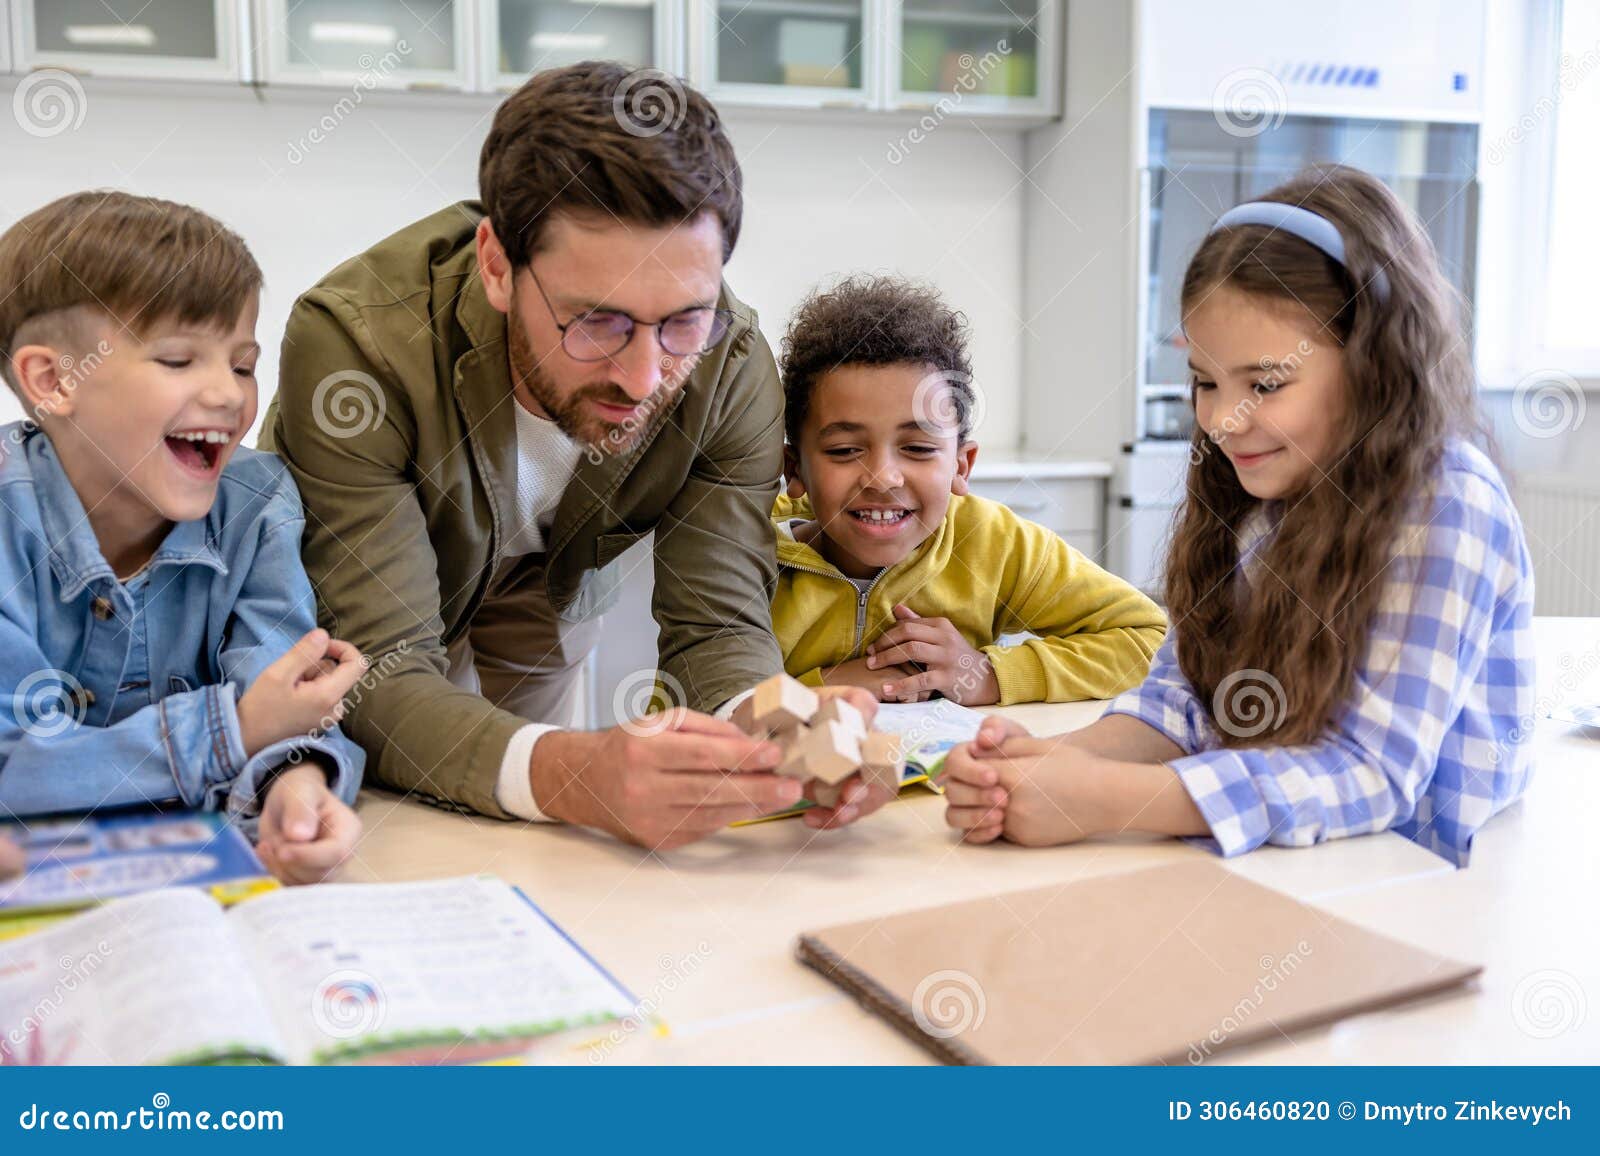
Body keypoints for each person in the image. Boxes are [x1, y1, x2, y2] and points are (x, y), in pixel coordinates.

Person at [262, 62, 880, 850]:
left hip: (559, 570)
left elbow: (718, 628)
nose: (645, 377)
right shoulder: (356, 349)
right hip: (394, 582)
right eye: (597, 322)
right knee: (428, 798)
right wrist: (578, 776)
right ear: (496, 266)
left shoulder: (731, 367)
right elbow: (380, 672)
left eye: (683, 321)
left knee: (530, 818)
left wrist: (790, 736)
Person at [944, 164, 1535, 866]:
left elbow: (1372, 774)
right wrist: (1050, 763)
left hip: (1415, 882)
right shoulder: (1261, 495)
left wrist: (1105, 798)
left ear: (1373, 365)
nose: (1224, 420)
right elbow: (1185, 700)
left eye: (1266, 383)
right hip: (1287, 865)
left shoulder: (1447, 503)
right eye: (1205, 382)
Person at [0, 192, 366, 884]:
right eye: (177, 360)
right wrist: (234, 730)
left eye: (242, 364)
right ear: (52, 380)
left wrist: (298, 782)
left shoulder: (256, 505)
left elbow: (283, 699)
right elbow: (11, 768)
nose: (228, 395)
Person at [771, 274, 1166, 705]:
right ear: (795, 469)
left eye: (918, 448)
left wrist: (989, 674)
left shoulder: (992, 542)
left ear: (962, 465)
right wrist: (816, 690)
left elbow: (1148, 639)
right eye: (845, 450)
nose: (883, 478)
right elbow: (715, 694)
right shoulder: (744, 557)